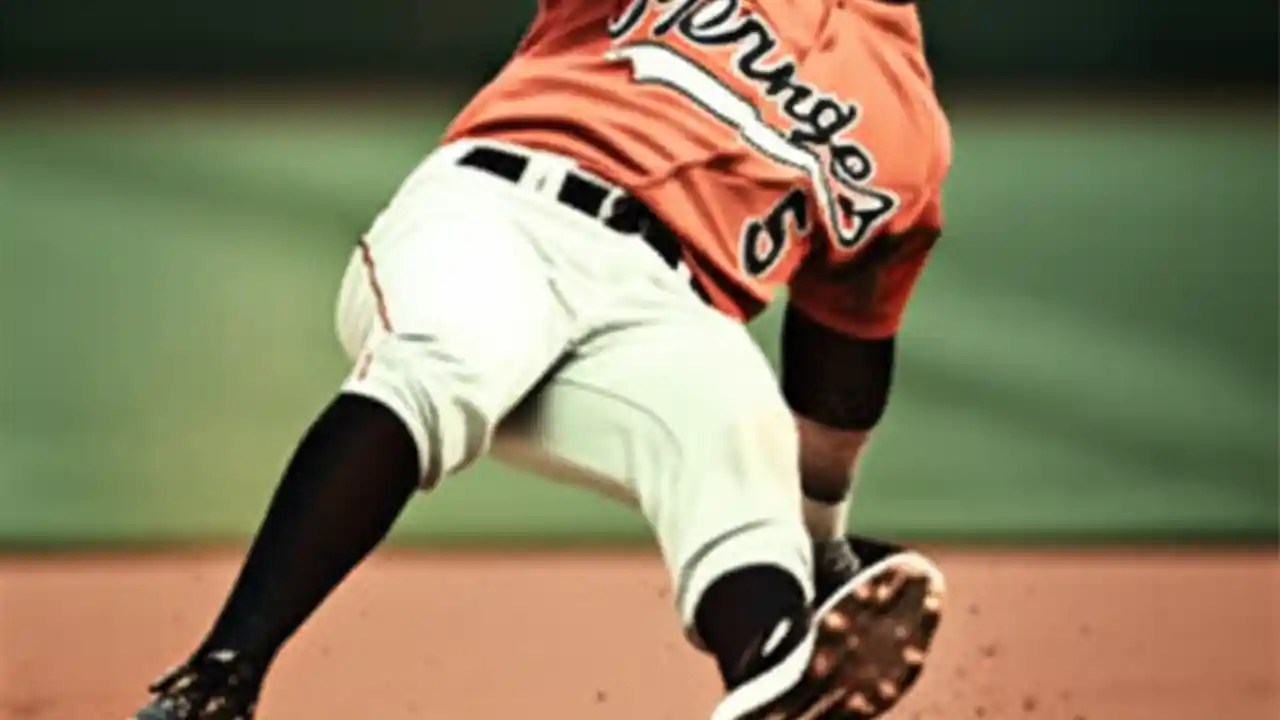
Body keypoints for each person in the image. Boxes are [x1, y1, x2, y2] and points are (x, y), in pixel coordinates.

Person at [134, 0, 950, 717]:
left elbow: (842, 356)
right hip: (500, 214)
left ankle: (778, 676)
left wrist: (818, 541)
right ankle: (216, 682)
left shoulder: (906, 126)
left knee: (741, 430)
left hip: (669, 304)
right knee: (449, 361)